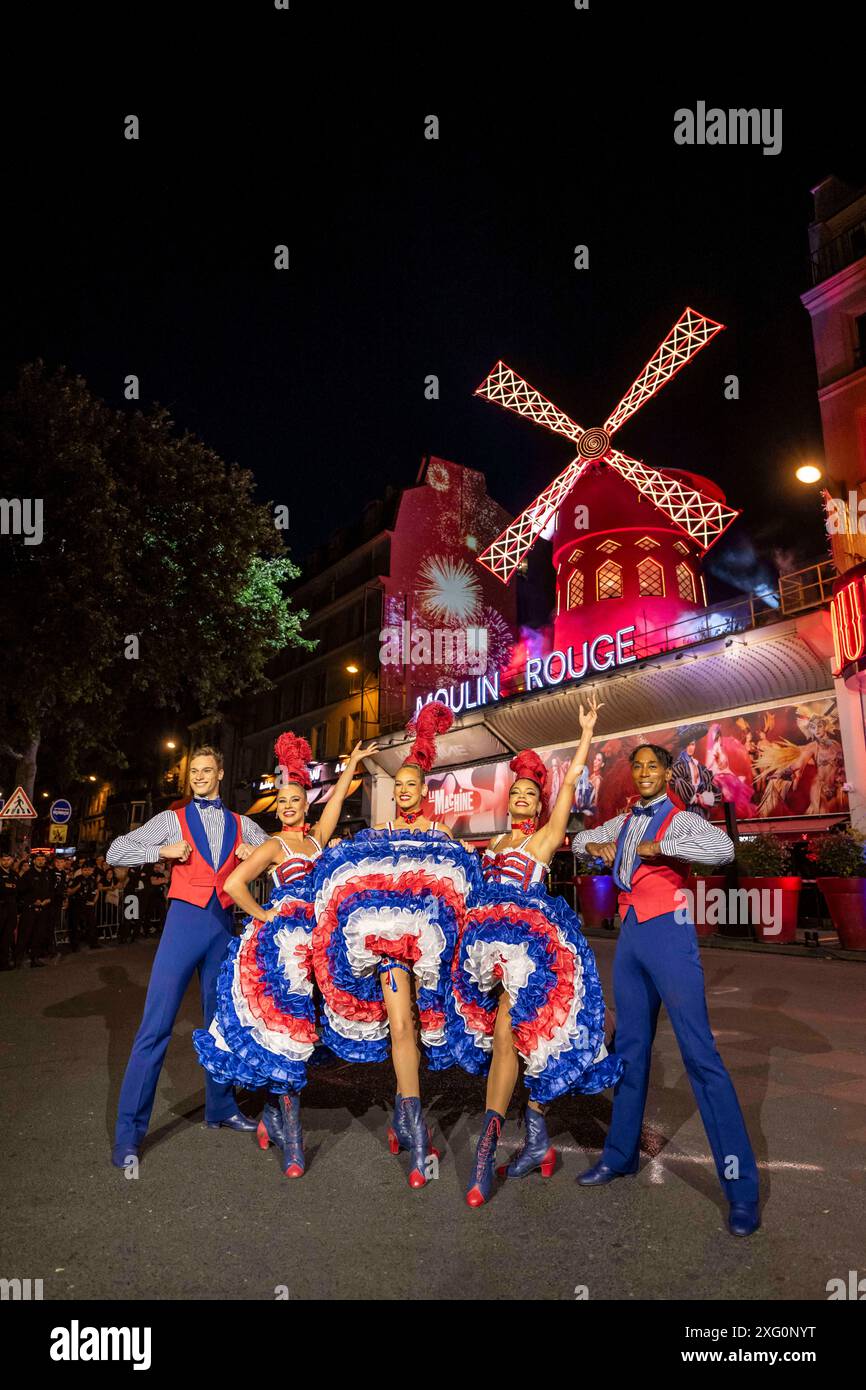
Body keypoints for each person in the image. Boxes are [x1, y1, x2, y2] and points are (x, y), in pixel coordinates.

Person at [571, 742, 760, 1237]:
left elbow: (723, 850)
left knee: (700, 1056)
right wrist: (596, 846)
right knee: (630, 1053)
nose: (644, 772)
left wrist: (665, 846)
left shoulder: (677, 819)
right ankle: (619, 1157)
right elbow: (579, 839)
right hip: (631, 936)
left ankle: (741, 1192)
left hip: (669, 931)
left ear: (666, 773)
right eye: (638, 767)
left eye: (653, 765)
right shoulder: (627, 819)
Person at [447, 692, 623, 1206]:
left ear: (538, 801)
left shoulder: (544, 840)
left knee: (522, 1037)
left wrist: (586, 732)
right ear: (508, 800)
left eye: (530, 792)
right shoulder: (495, 845)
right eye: (516, 792)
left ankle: (487, 1150)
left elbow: (569, 785)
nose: (522, 797)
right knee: (516, 1040)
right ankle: (538, 1140)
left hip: (535, 954)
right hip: (487, 952)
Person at [194, 734, 376, 1179]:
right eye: (284, 801)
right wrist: (267, 914)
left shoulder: (315, 842)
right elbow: (235, 885)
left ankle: (275, 1116)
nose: (290, 805)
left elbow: (333, 807)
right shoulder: (273, 846)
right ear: (278, 808)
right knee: (289, 1034)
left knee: (305, 1034)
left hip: (318, 942)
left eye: (297, 799)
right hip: (282, 950)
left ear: (305, 805)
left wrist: (351, 764)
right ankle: (291, 1135)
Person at [313, 701, 472, 1188]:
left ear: (423, 789)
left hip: (435, 953)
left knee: (425, 1029)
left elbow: (466, 882)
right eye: (397, 786)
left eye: (410, 785)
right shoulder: (377, 835)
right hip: (388, 950)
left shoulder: (442, 834)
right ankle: (416, 1126)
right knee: (400, 1026)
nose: (403, 791)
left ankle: (407, 1114)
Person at [105, 745, 269, 1168]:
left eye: (205, 770)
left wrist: (257, 860)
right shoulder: (170, 820)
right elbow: (115, 852)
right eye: (193, 771)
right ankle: (128, 1135)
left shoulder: (241, 823)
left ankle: (220, 1107)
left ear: (219, 773)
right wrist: (162, 851)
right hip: (182, 925)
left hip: (222, 928)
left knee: (220, 1025)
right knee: (155, 1027)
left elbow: (282, 855)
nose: (198, 776)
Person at [15, 851, 60, 967]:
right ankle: (17, 960)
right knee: (24, 935)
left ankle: (34, 959)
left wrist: (49, 899)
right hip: (30, 909)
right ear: (34, 861)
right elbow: (20, 891)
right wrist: (33, 900)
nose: (41, 861)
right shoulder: (28, 874)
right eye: (38, 859)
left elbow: (52, 889)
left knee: (38, 935)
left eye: (42, 859)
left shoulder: (48, 874)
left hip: (44, 909)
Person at [670, 724, 719, 820]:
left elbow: (713, 790)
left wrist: (704, 798)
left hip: (702, 811)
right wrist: (694, 798)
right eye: (688, 745)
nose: (691, 748)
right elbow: (676, 784)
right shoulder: (678, 767)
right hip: (685, 812)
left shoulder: (700, 767)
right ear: (683, 746)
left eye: (692, 744)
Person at [0, 850, 19, 969]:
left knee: (7, 936)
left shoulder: (14, 874)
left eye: (8, 859)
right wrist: (10, 887)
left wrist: (9, 887)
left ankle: (4, 962)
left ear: (12, 860)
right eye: (3, 860)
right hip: (1, 908)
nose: (6, 862)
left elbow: (18, 890)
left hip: (11, 908)